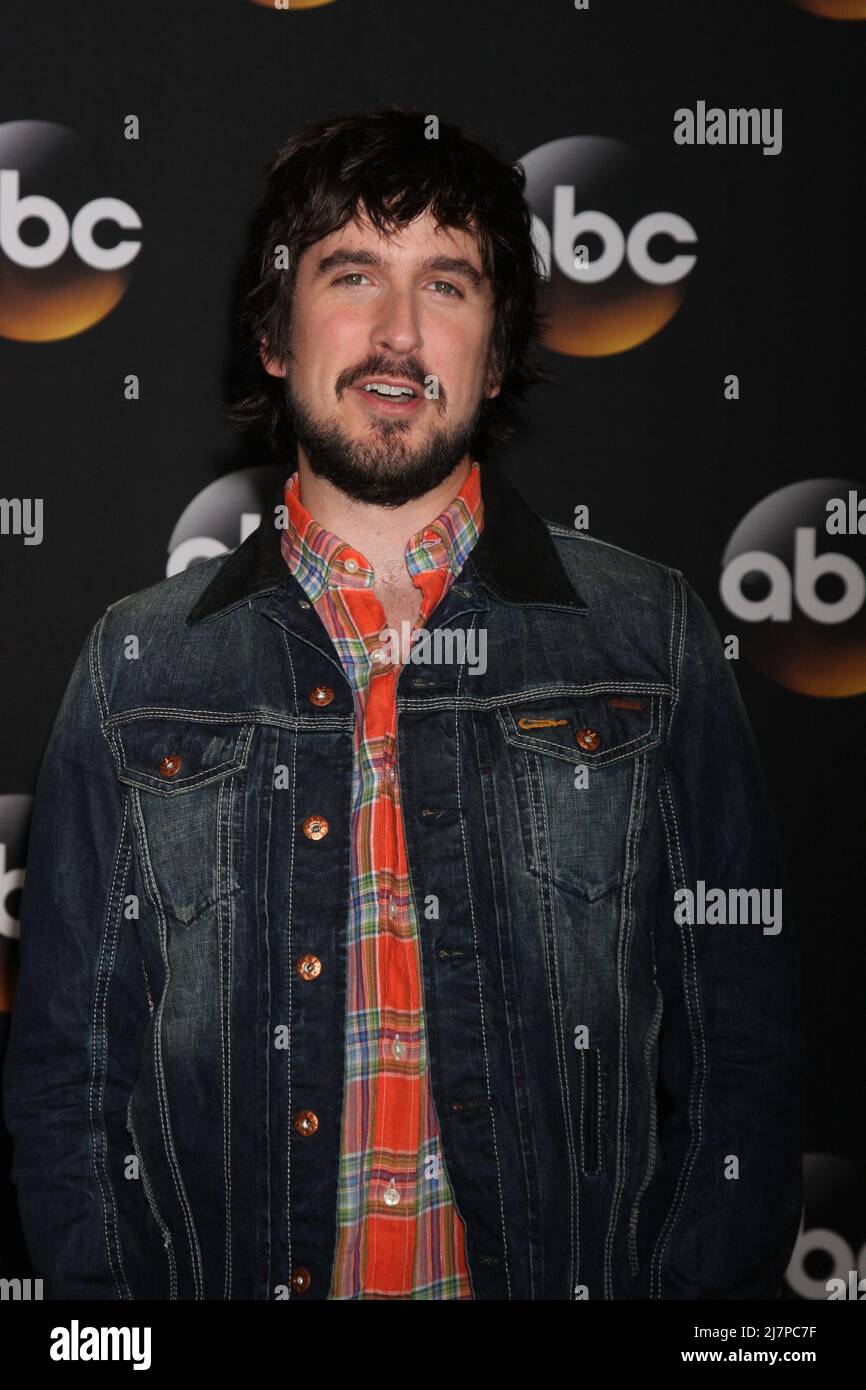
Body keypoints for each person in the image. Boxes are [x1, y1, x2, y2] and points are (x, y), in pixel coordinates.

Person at [3, 105, 803, 1300]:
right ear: (274, 334)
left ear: (499, 346)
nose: (395, 332)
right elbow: (69, 1085)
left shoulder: (650, 638)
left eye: (446, 283)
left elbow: (738, 1062)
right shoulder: (139, 666)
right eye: (350, 274)